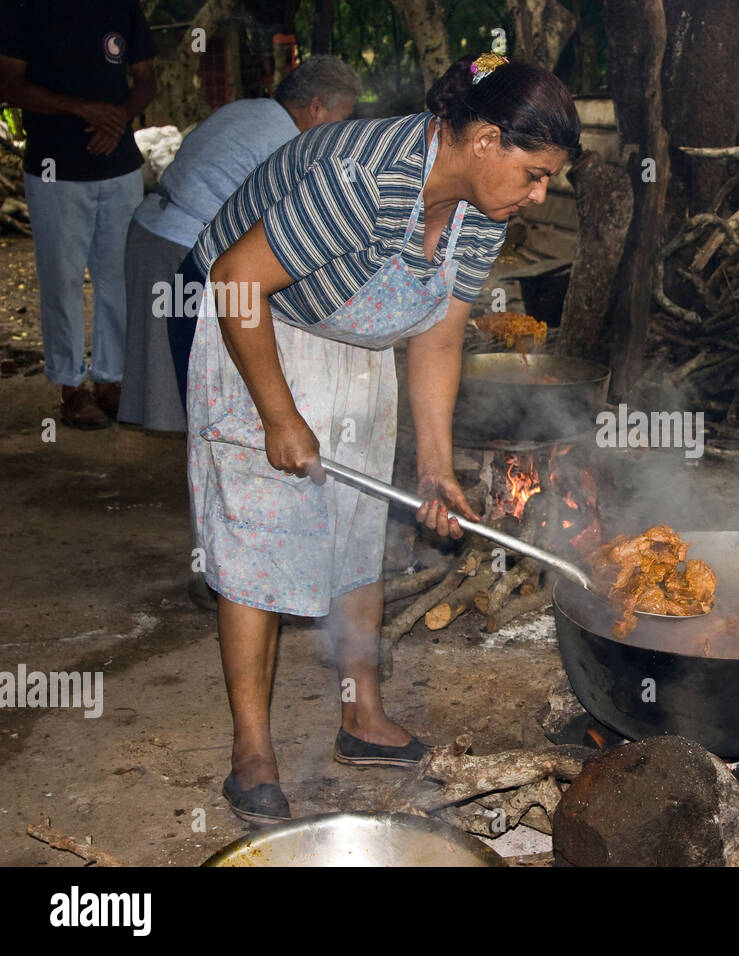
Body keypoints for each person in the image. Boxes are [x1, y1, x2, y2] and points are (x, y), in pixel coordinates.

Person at [187, 51, 580, 824]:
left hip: (359, 343)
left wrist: (435, 468)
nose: (539, 195)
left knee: (355, 534)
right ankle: (253, 755)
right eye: (534, 174)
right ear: (485, 141)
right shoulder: (365, 180)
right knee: (257, 548)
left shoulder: (479, 210)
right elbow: (236, 280)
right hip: (260, 332)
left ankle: (362, 718)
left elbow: (438, 333)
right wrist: (279, 416)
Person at [119, 54, 361, 434]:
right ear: (316, 107)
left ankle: (190, 450)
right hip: (182, 245)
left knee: (169, 370)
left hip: (152, 228)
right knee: (202, 371)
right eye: (342, 118)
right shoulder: (288, 146)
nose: (341, 129)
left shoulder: (250, 109)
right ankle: (208, 457)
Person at [0, 0, 156, 429]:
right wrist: (81, 109)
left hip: (119, 163)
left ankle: (110, 380)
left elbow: (146, 80)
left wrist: (119, 118)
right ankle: (71, 387)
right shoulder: (21, 9)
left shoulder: (121, 7)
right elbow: (9, 84)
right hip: (55, 167)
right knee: (62, 279)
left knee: (117, 277)